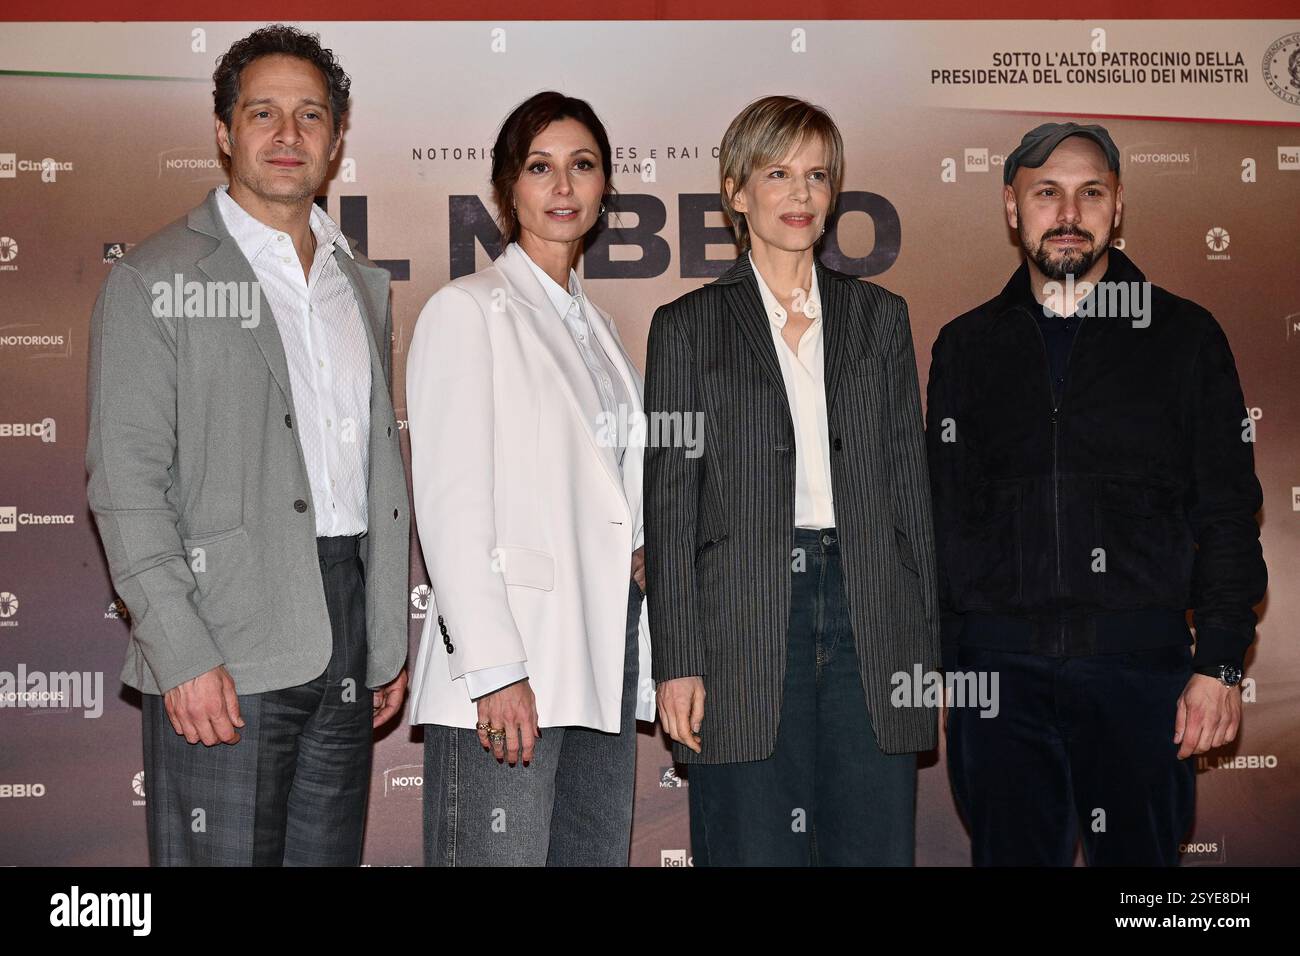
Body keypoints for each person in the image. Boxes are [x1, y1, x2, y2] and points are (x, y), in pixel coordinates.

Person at [85, 24, 410, 865]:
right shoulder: (156, 277)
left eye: (310, 115)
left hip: (343, 622)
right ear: (224, 133)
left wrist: (381, 636)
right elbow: (126, 485)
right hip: (221, 633)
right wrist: (181, 651)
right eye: (263, 112)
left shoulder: (359, 285)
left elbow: (372, 472)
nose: (287, 134)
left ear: (335, 140)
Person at [926, 122, 1267, 866]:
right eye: (1046, 193)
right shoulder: (966, 347)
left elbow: (1229, 515)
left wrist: (1219, 664)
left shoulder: (1184, 337)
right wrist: (953, 668)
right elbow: (945, 519)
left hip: (1142, 679)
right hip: (999, 683)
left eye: (1091, 192)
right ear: (1013, 208)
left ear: (1118, 207)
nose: (1069, 213)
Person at [645, 95, 939, 866]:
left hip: (869, 614)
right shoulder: (687, 327)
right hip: (742, 615)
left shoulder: (881, 318)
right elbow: (670, 507)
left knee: (873, 846)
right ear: (737, 191)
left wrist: (925, 650)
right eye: (778, 173)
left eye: (817, 174)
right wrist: (677, 657)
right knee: (753, 847)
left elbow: (912, 495)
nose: (801, 194)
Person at [406, 91, 652, 866]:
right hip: (513, 662)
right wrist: (494, 671)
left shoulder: (601, 329)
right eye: (540, 167)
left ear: (606, 188)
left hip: (604, 653)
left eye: (583, 166)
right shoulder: (467, 309)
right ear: (506, 189)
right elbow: (449, 506)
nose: (564, 187)